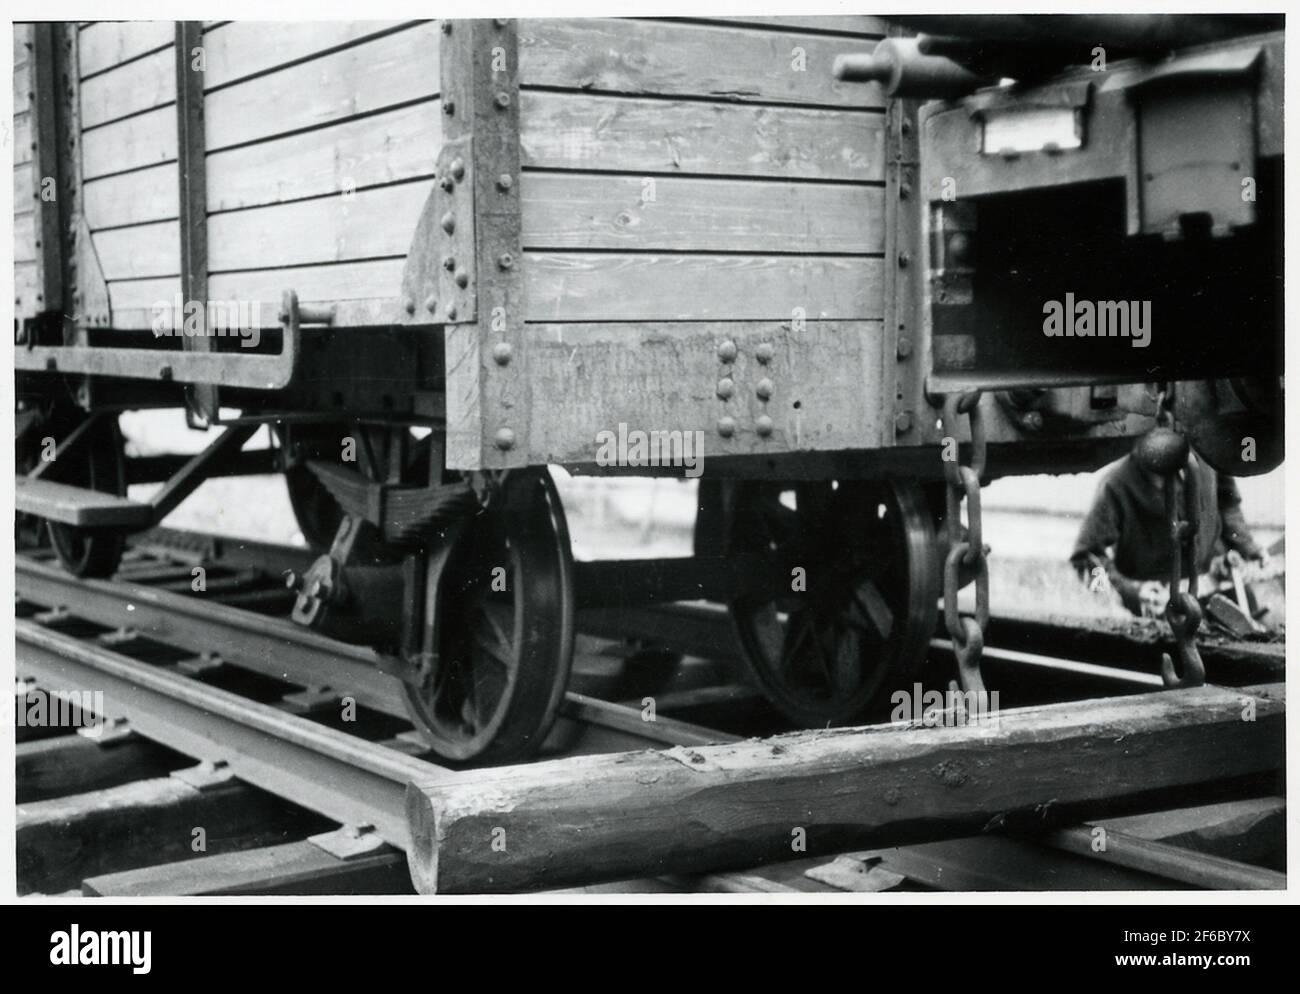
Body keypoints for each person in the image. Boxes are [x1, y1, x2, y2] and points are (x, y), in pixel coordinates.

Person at [1071, 452, 1267, 617]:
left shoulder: (1209, 457)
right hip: (1166, 613)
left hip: (1228, 596)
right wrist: (1131, 591)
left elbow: (1228, 503)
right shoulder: (1117, 483)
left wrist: (1247, 546)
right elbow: (1085, 558)